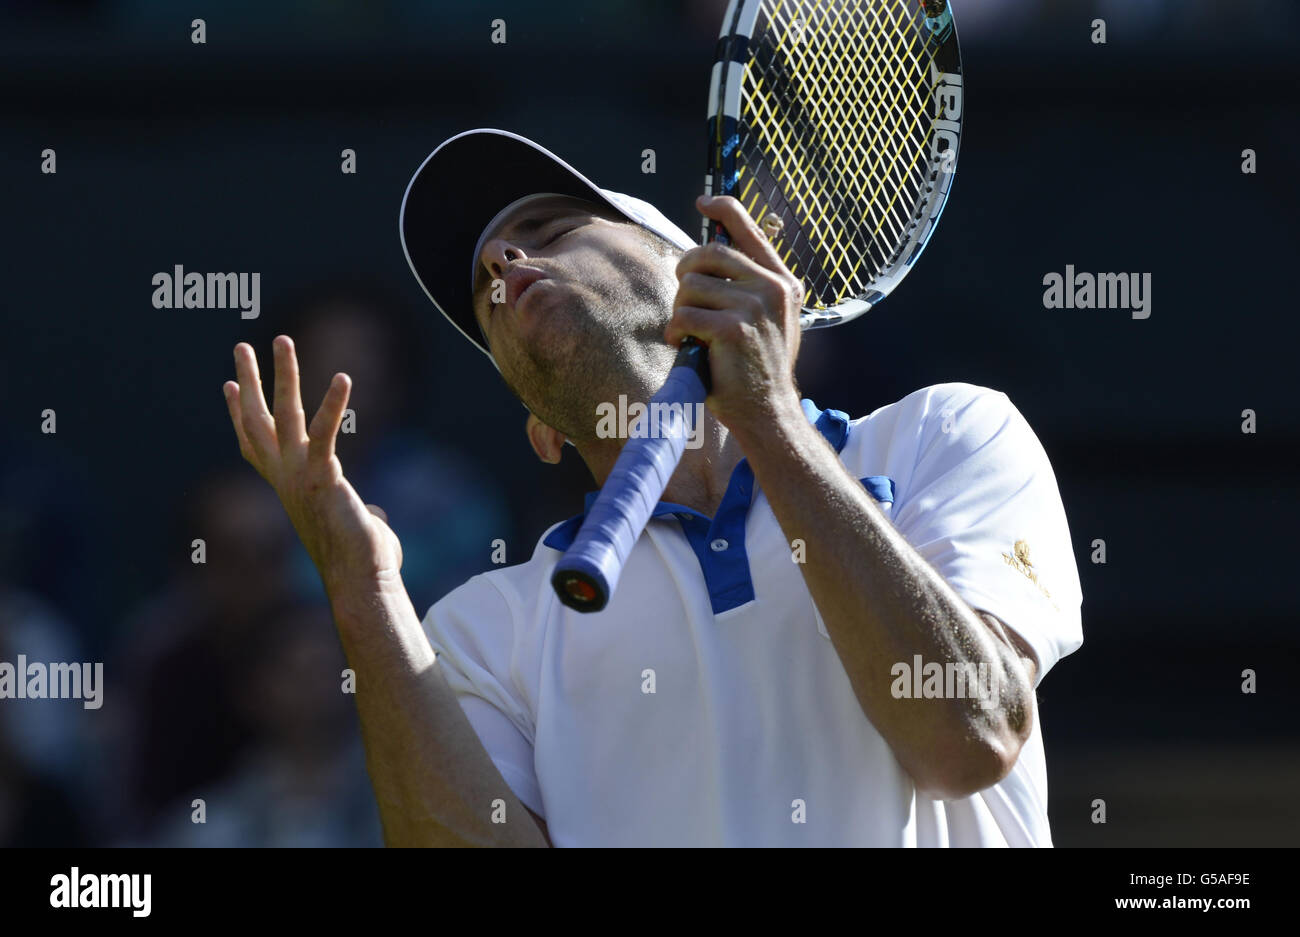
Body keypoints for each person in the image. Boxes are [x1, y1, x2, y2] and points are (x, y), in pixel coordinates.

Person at [223, 129, 1082, 846]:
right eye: (489, 291)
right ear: (542, 430)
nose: (505, 259)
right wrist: (362, 592)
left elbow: (965, 739)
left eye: (549, 226)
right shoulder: (482, 632)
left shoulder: (950, 434)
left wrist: (772, 424)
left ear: (689, 270)